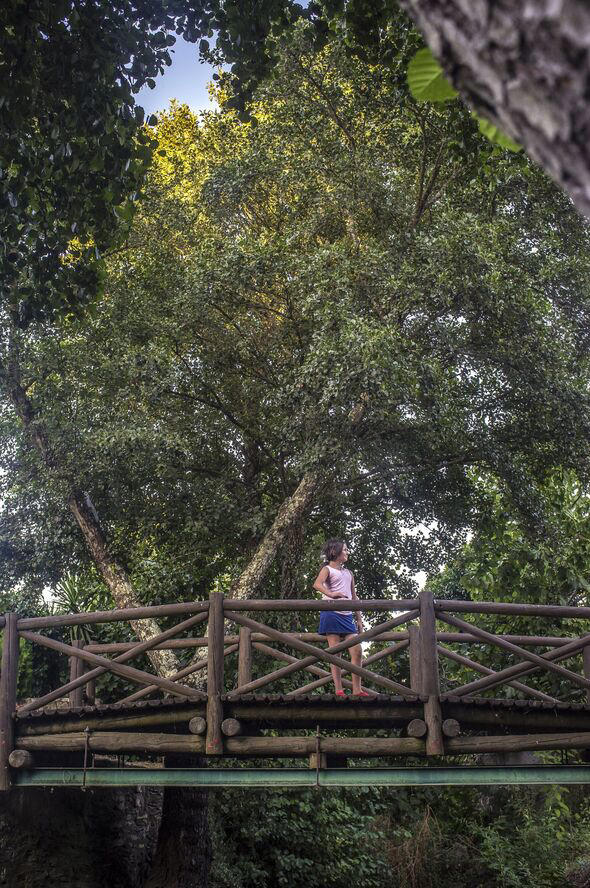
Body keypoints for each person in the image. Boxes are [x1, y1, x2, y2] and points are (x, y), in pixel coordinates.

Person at [312, 539, 369, 697]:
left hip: (347, 615)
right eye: (345, 549)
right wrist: (331, 594)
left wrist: (358, 618)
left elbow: (354, 596)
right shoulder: (327, 569)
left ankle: (357, 689)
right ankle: (339, 690)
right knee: (335, 654)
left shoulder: (348, 573)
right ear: (334, 552)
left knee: (357, 651)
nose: (347, 551)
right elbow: (317, 584)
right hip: (331, 614)